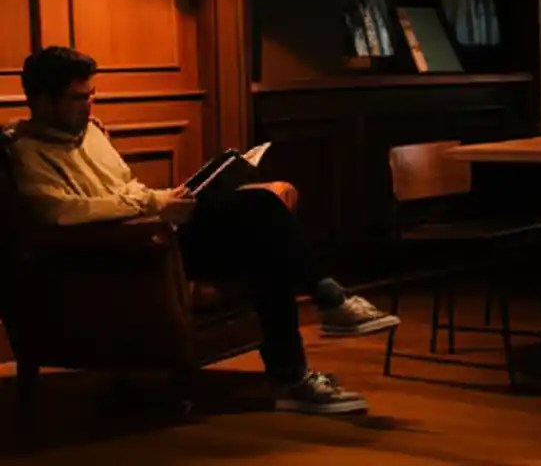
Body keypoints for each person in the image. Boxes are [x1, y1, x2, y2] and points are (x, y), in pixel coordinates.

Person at [7, 47, 400, 414]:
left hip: (157, 232)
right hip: (124, 255)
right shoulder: (25, 153)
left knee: (262, 224)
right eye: (78, 98)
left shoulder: (91, 133)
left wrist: (170, 198)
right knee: (260, 217)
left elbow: (127, 186)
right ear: (42, 101)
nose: (89, 105)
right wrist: (154, 205)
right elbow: (63, 212)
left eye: (92, 94)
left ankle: (293, 373)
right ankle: (327, 305)